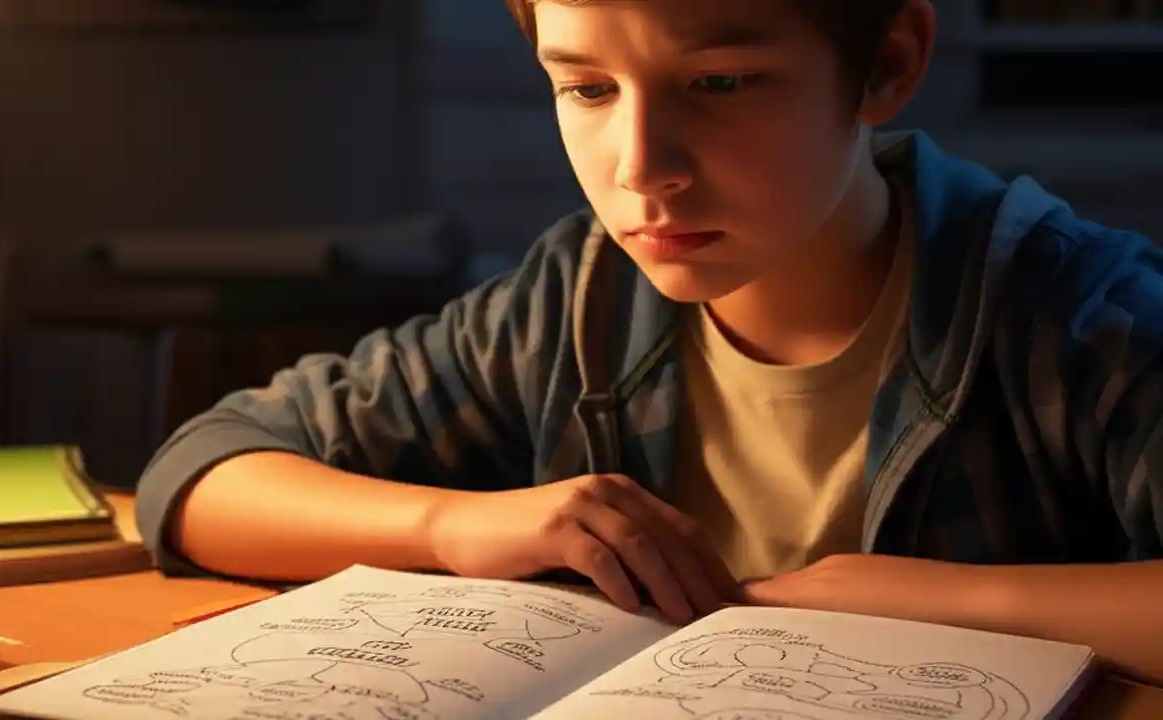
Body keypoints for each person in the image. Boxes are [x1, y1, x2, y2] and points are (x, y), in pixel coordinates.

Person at [135, 0, 1163, 683]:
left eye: (720, 83)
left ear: (886, 64)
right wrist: (457, 527)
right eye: (587, 88)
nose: (639, 167)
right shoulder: (575, 301)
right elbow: (201, 475)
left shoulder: (1076, 312)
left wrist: (936, 601)